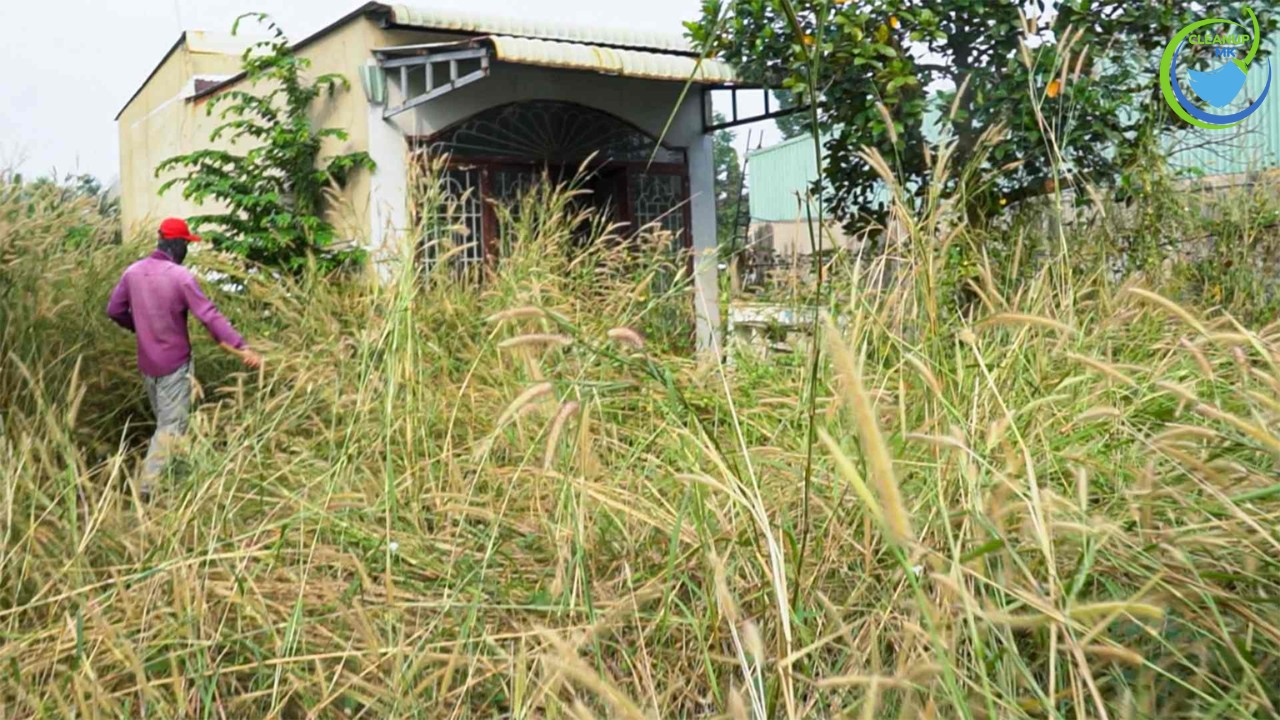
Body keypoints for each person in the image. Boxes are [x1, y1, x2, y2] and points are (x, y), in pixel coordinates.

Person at [106, 218, 263, 500]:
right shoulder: (180, 277)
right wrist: (242, 347)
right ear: (178, 245)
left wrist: (139, 327)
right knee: (171, 429)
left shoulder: (132, 273)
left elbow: (114, 310)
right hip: (174, 368)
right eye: (187, 244)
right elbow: (209, 316)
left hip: (148, 366)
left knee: (172, 426)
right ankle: (148, 490)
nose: (187, 250)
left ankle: (176, 490)